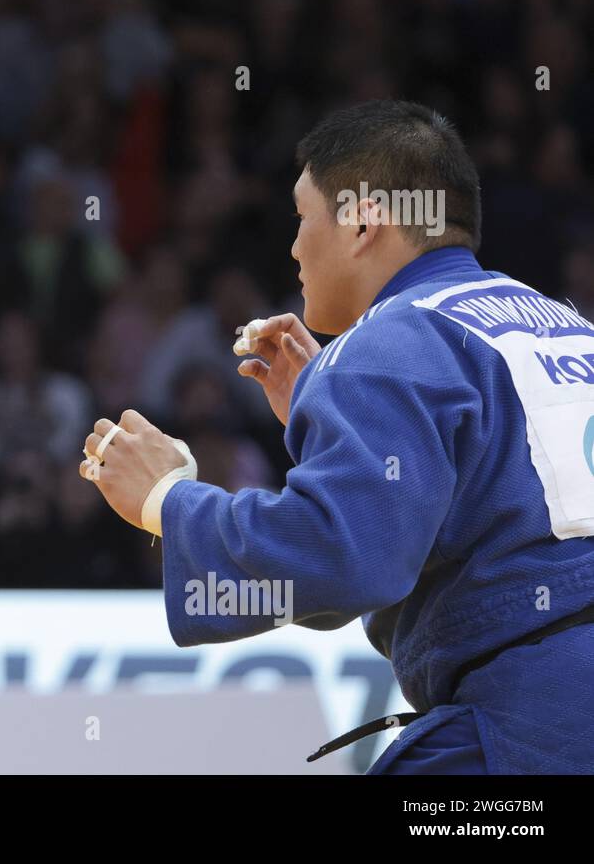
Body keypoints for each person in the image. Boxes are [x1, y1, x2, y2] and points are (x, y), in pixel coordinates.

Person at [80, 100, 594, 773]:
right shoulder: (559, 324)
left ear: (360, 224)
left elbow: (340, 561)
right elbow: (495, 487)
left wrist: (168, 501)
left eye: (303, 217)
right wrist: (330, 420)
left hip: (540, 717)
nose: (294, 247)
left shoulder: (391, 340)